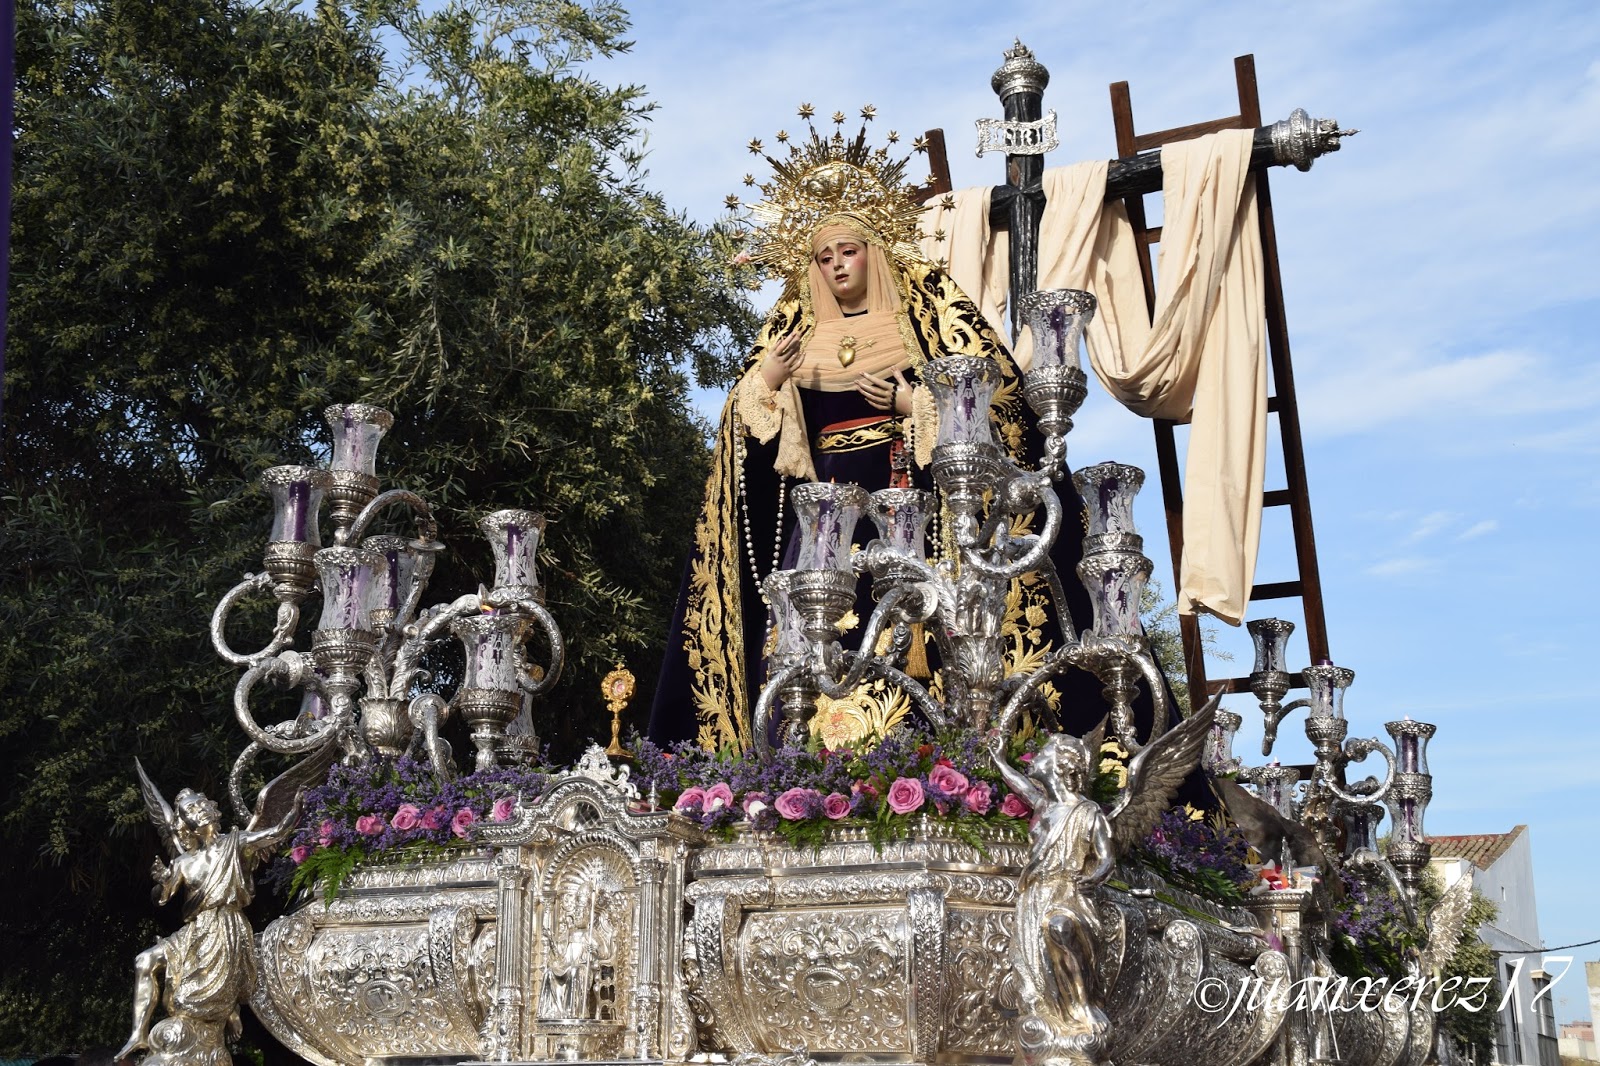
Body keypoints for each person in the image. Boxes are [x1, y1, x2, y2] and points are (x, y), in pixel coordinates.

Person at [647, 119, 1161, 755]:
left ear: (873, 249)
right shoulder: (791, 328)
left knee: (932, 629)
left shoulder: (930, 308)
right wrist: (767, 382)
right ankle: (803, 783)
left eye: (849, 250)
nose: (837, 266)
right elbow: (745, 449)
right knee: (815, 650)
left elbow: (992, 408)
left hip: (912, 505)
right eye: (824, 256)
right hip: (827, 525)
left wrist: (914, 403)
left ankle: (944, 772)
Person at [119, 784, 299, 1065]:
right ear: (184, 823)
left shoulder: (236, 842)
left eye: (201, 804)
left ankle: (226, 1013)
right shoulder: (183, 862)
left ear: (214, 809)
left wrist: (297, 806)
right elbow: (162, 899)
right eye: (190, 809)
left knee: (191, 1001)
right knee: (144, 961)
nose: (198, 810)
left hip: (225, 926)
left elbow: (275, 833)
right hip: (195, 929)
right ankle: (138, 1034)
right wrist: (162, 882)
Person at [988, 733, 1113, 1061]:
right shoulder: (1045, 805)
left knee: (1058, 928)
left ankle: (1081, 1008)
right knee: (1036, 970)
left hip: (1068, 893)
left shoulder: (1087, 812)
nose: (1034, 758)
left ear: (1060, 766)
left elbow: (1106, 857)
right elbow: (1020, 786)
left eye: (1041, 753)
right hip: (1035, 895)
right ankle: (1053, 1016)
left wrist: (1094, 876)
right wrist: (1000, 760)